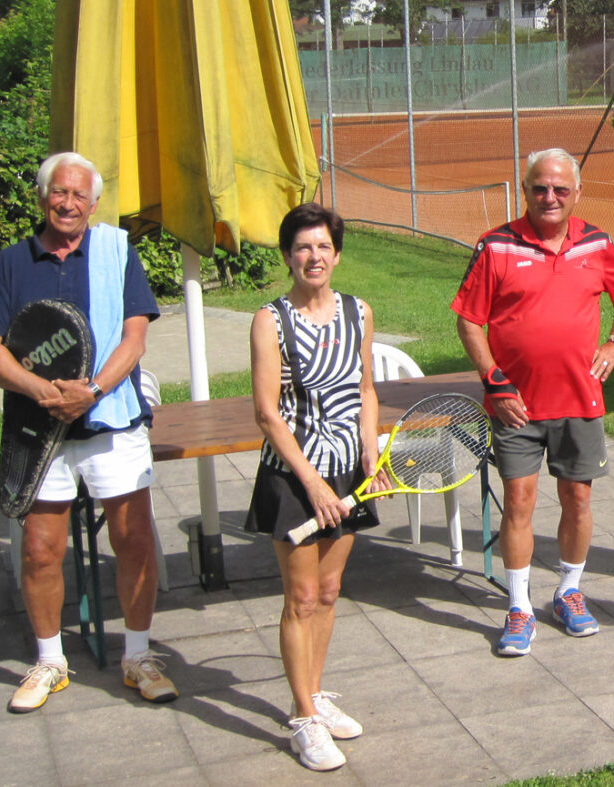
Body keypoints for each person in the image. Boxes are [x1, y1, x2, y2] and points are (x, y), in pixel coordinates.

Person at [0, 151, 176, 713]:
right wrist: (40, 390)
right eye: (59, 193)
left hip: (112, 421)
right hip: (40, 431)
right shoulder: (11, 264)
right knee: (40, 550)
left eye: (79, 195)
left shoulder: (116, 252)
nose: (68, 203)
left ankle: (138, 657)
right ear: (41, 197)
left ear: (94, 202)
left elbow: (135, 337)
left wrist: (95, 391)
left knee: (133, 540)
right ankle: (50, 661)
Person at [453, 148, 614, 657]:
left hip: (580, 401)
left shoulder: (597, 243)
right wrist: (493, 379)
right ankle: (518, 607)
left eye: (560, 188)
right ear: (525, 190)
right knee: (519, 502)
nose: (550, 197)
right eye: (540, 188)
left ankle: (569, 591)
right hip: (515, 406)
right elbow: (469, 319)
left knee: (578, 500)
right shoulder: (495, 247)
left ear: (576, 193)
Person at [248, 204, 384, 771]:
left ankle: (316, 696)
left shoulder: (359, 312)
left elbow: (366, 389)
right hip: (295, 477)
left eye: (323, 247)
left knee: (329, 594)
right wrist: (314, 485)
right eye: (303, 248)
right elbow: (266, 414)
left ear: (337, 253)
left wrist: (371, 456)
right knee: (300, 599)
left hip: (349, 472)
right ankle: (303, 718)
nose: (314, 257)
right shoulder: (269, 320)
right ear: (287, 257)